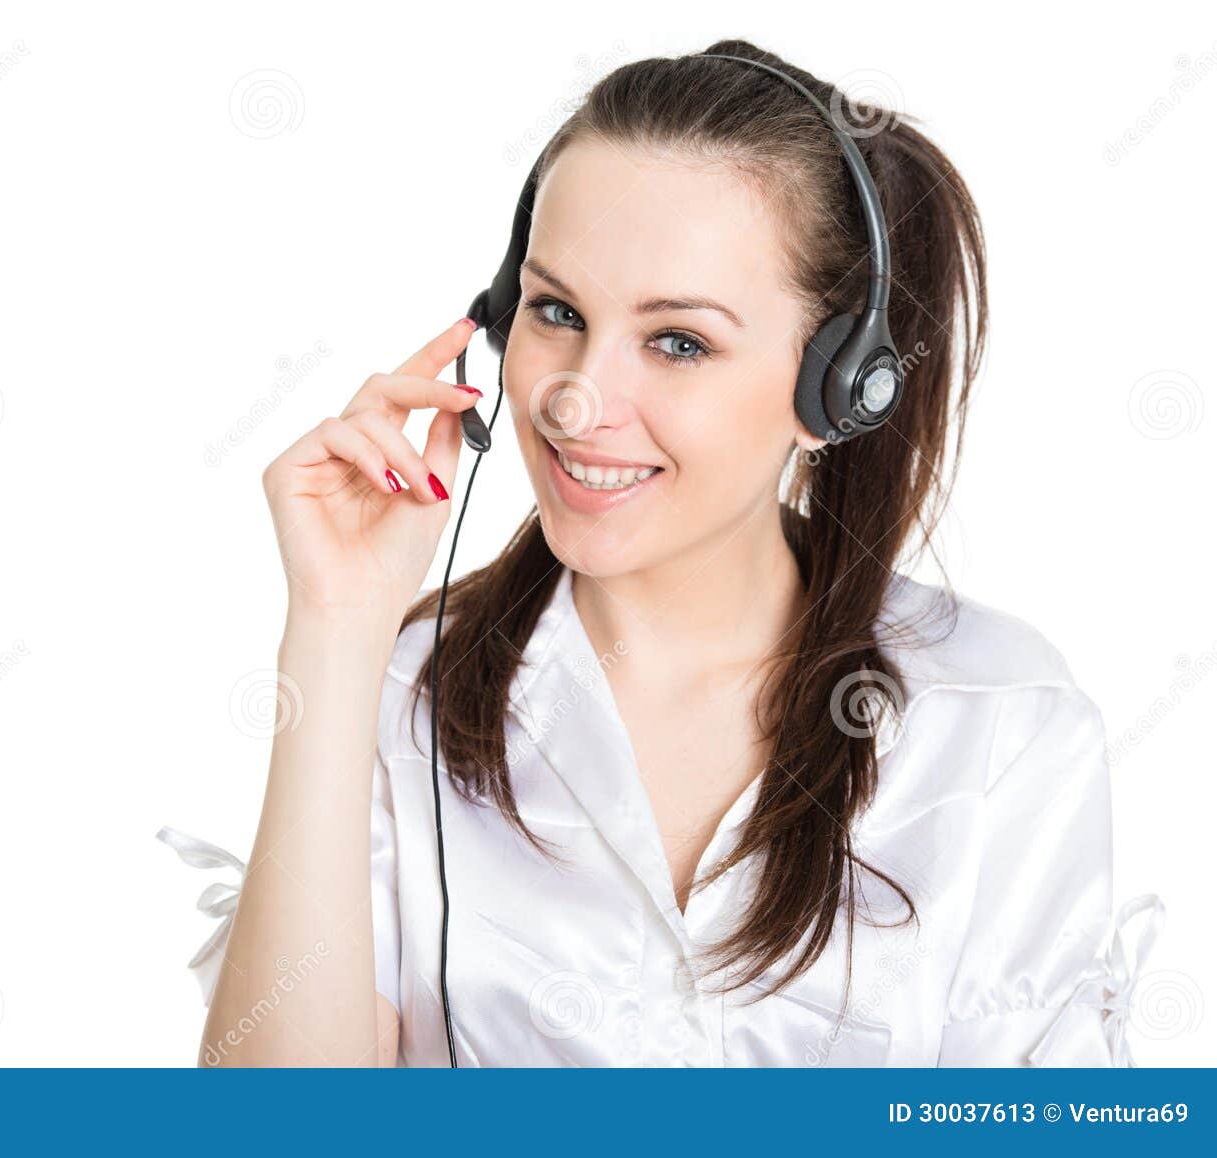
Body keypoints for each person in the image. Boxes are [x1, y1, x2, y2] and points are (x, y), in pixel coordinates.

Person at [160, 40, 1163, 1067]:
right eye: (555, 312)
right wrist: (336, 633)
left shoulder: (995, 722)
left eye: (677, 341)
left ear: (840, 388)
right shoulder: (402, 692)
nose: (573, 397)